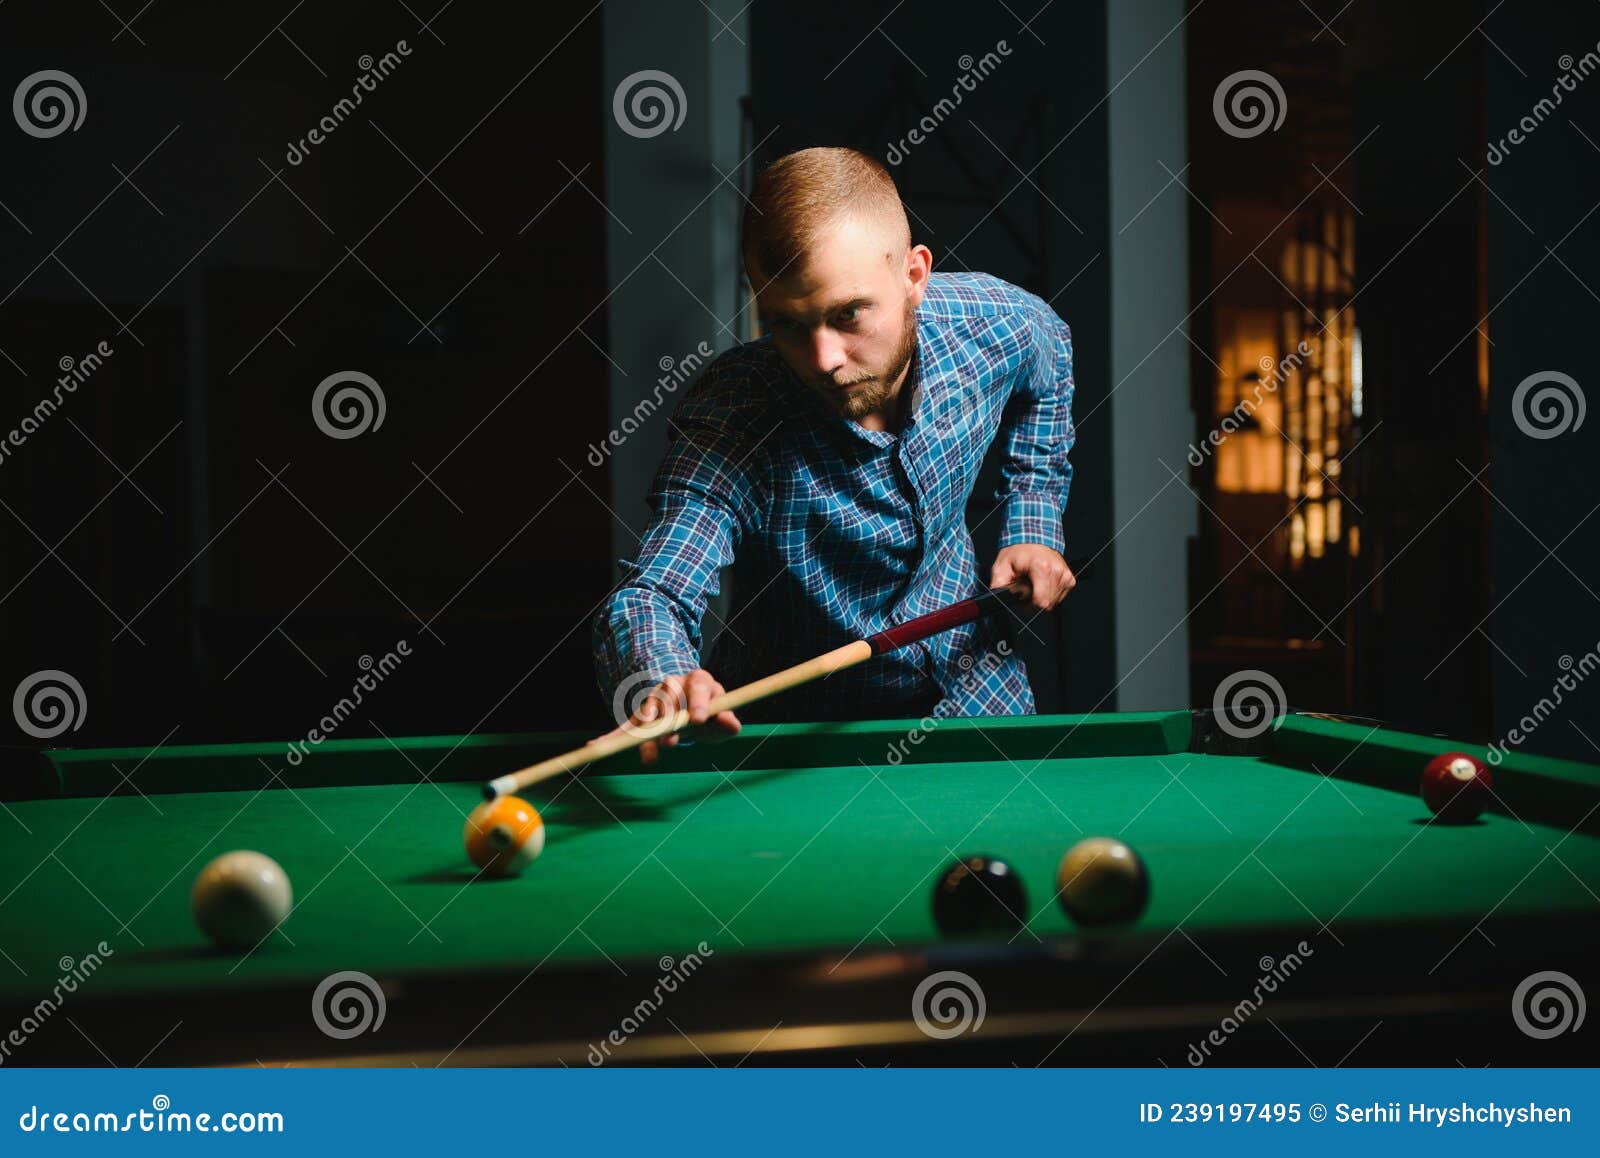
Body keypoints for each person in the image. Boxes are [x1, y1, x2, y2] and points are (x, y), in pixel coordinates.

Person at [592, 146, 1076, 762]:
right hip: (796, 745)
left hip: (976, 700)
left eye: (848, 315)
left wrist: (1033, 521)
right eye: (787, 324)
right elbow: (654, 590)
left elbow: (1049, 350)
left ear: (914, 275)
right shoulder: (736, 415)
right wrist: (661, 674)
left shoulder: (994, 324)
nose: (823, 359)